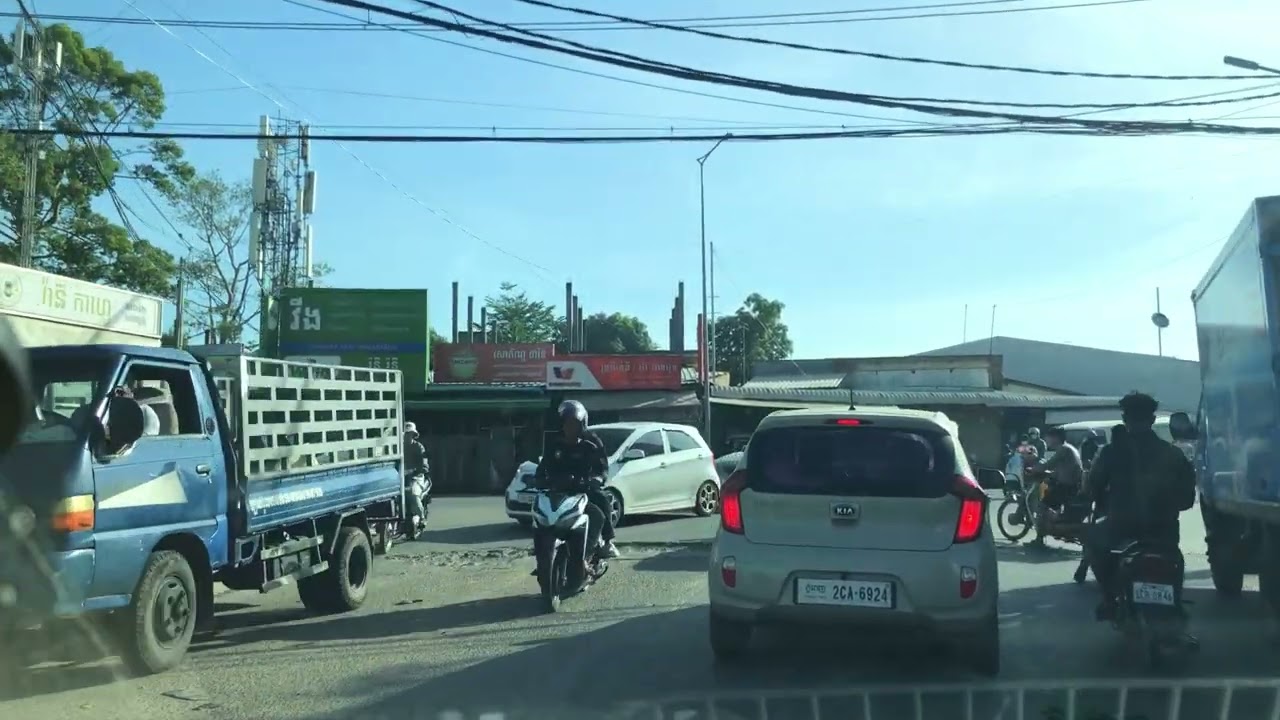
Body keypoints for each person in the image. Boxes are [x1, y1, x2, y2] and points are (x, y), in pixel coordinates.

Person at [1084, 394, 1196, 620]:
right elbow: (1186, 499)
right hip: (1163, 529)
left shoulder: (1110, 453)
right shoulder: (1172, 453)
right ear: (1153, 420)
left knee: (1093, 542)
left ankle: (1109, 598)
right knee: (1174, 560)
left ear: (1125, 418)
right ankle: (1174, 603)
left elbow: (1092, 488)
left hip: (1120, 528)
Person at [535, 400, 621, 560]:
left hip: (584, 488)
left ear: (582, 424)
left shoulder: (592, 442)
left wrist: (596, 479)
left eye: (574, 424)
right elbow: (543, 466)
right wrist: (539, 479)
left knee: (601, 503)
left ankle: (608, 541)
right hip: (559, 490)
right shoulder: (554, 443)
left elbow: (602, 468)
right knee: (539, 513)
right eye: (566, 424)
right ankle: (542, 553)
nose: (570, 428)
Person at [1024, 426, 1084, 546]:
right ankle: (1051, 526)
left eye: (1049, 437)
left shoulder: (1063, 449)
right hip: (1070, 486)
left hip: (1065, 488)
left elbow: (1049, 464)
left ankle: (1039, 539)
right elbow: (1059, 469)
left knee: (1042, 505)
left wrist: (1034, 469)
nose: (1047, 440)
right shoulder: (1069, 448)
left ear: (1055, 438)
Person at [403, 422, 430, 533]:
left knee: (413, 494)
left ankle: (422, 517)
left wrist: (415, 471)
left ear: (414, 435)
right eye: (406, 434)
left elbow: (424, 465)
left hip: (416, 477)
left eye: (410, 434)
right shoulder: (398, 447)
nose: (408, 436)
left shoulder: (419, 447)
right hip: (399, 478)